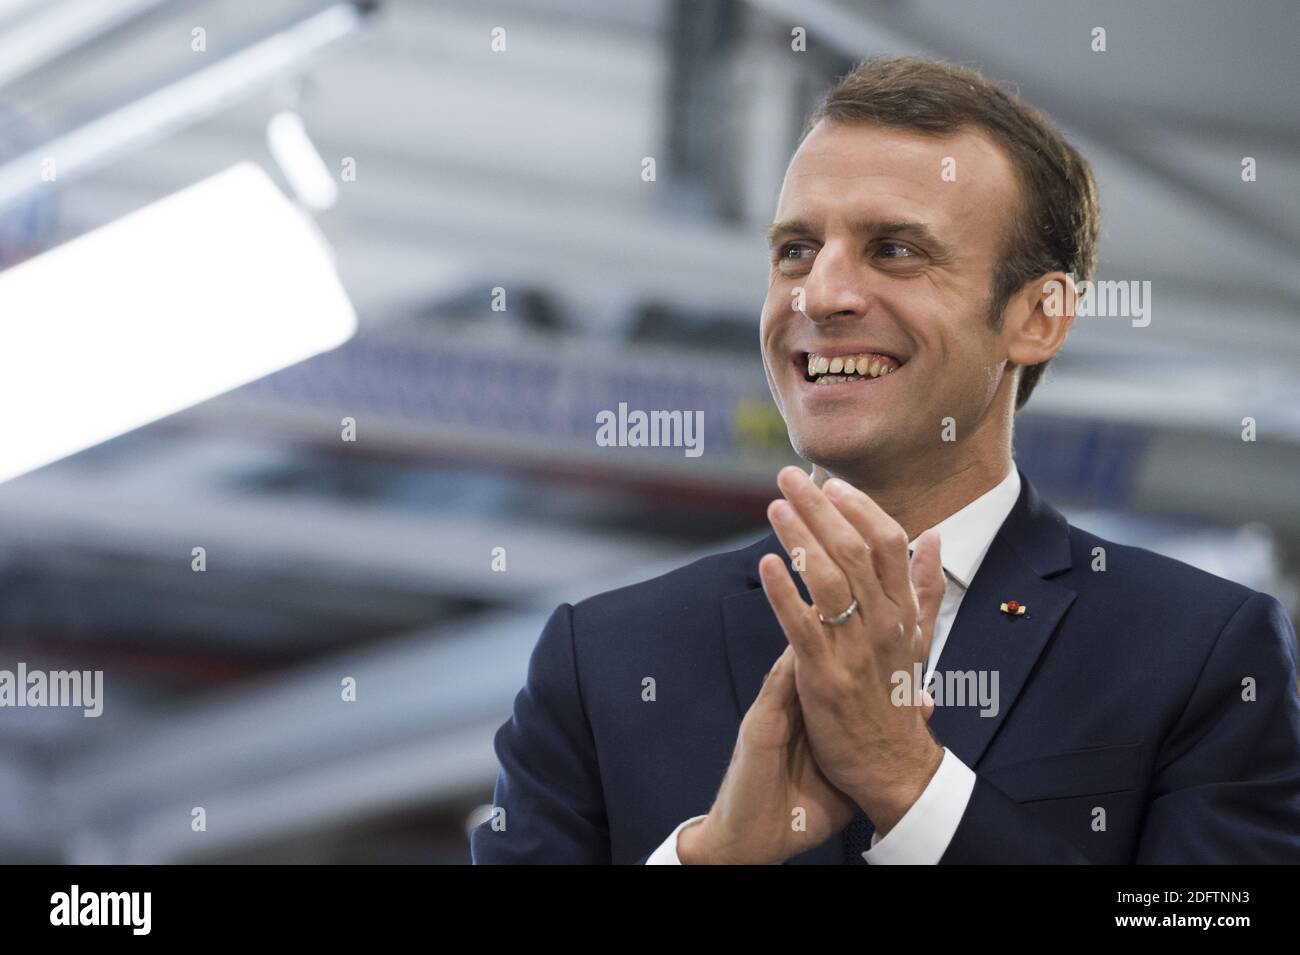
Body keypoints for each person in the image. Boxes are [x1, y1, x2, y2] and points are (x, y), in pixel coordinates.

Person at [471, 56, 1300, 864]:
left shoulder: (1201, 651)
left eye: (895, 250)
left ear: (1039, 317)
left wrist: (910, 783)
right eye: (796, 250)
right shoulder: (601, 659)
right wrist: (711, 857)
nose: (820, 294)